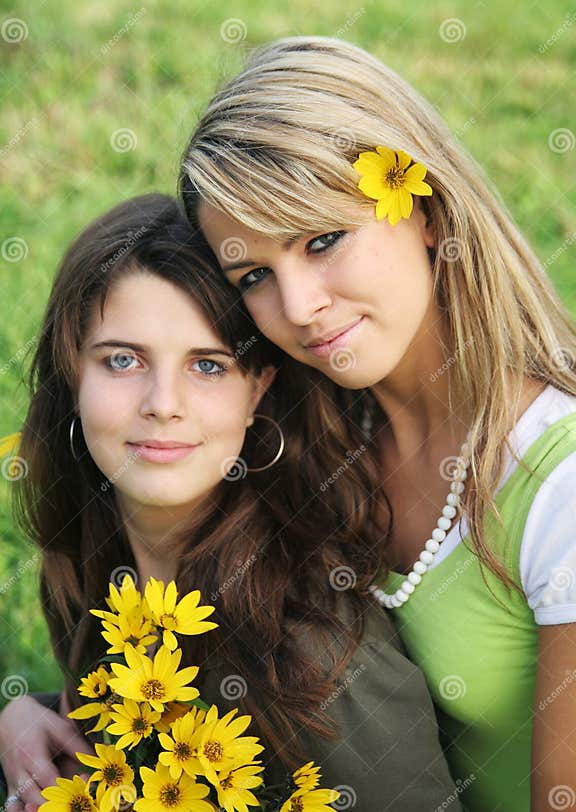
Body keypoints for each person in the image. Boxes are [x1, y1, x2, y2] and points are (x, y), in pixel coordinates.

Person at [178, 36, 576, 811]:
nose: (297, 309)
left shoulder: (558, 485)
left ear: (425, 210)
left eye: (323, 241)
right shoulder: (311, 437)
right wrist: (28, 717)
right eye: (254, 276)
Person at [0, 192, 462, 811]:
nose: (163, 403)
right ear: (72, 374)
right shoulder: (91, 554)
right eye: (122, 359)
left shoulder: (316, 656)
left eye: (209, 366)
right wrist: (25, 716)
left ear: (257, 391)